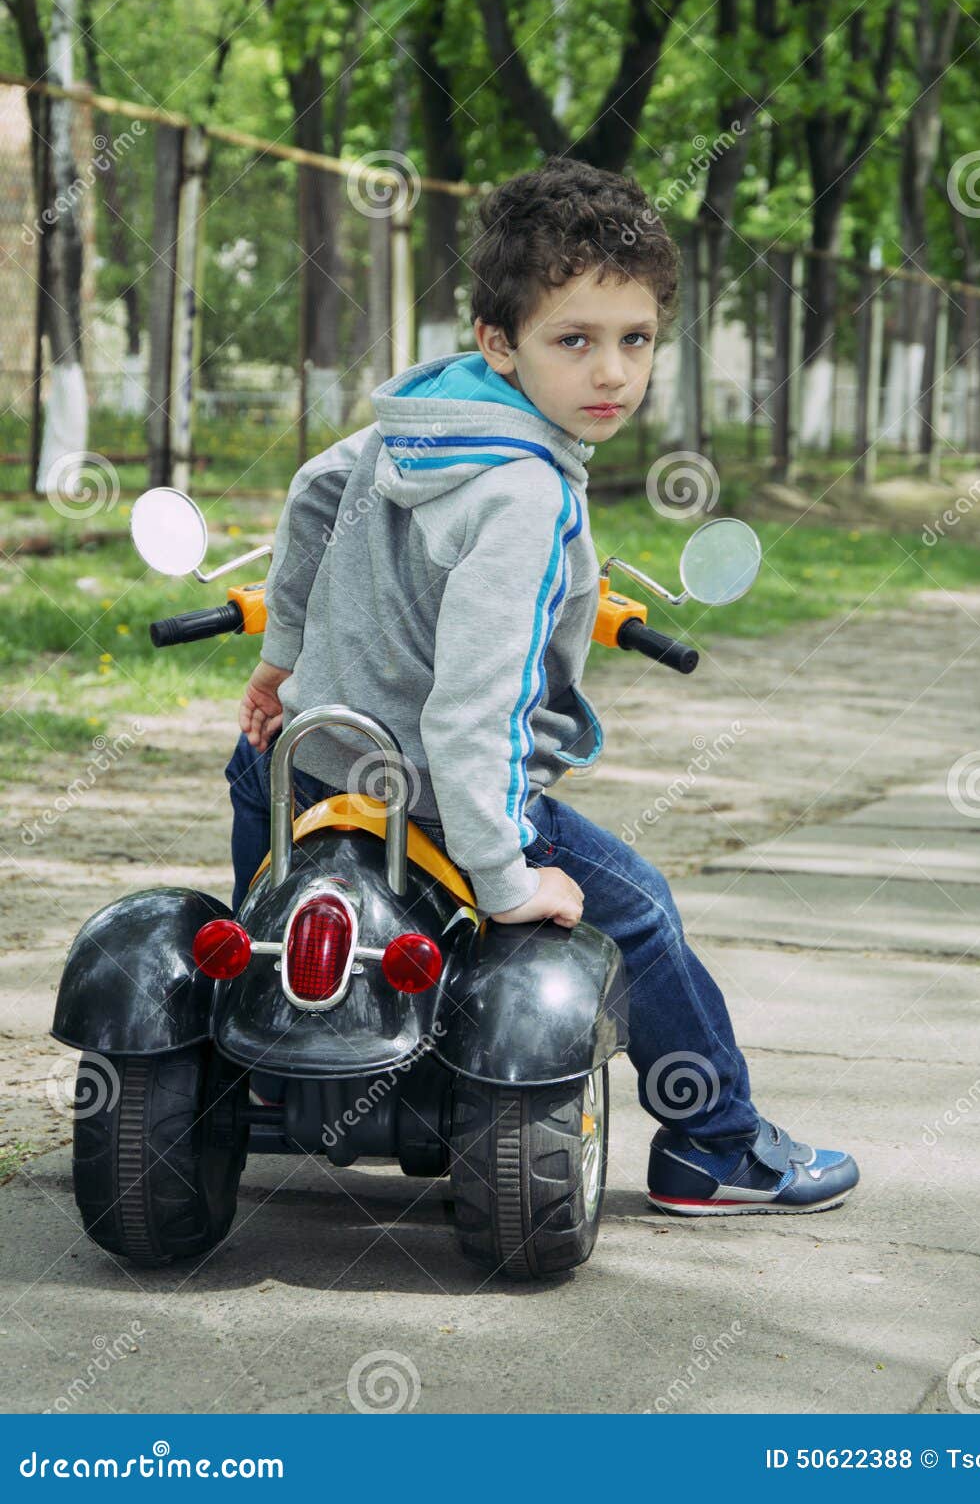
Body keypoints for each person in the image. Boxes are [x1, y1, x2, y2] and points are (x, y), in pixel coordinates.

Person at [226, 156, 859, 1216]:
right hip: (438, 796)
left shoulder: (416, 421)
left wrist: (281, 658)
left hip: (315, 762)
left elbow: (312, 487)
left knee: (253, 784)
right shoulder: (524, 496)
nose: (609, 372)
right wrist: (505, 875)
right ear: (499, 342)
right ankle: (716, 1143)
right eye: (573, 340)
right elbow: (473, 708)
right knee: (642, 913)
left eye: (635, 339)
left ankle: (265, 1023)